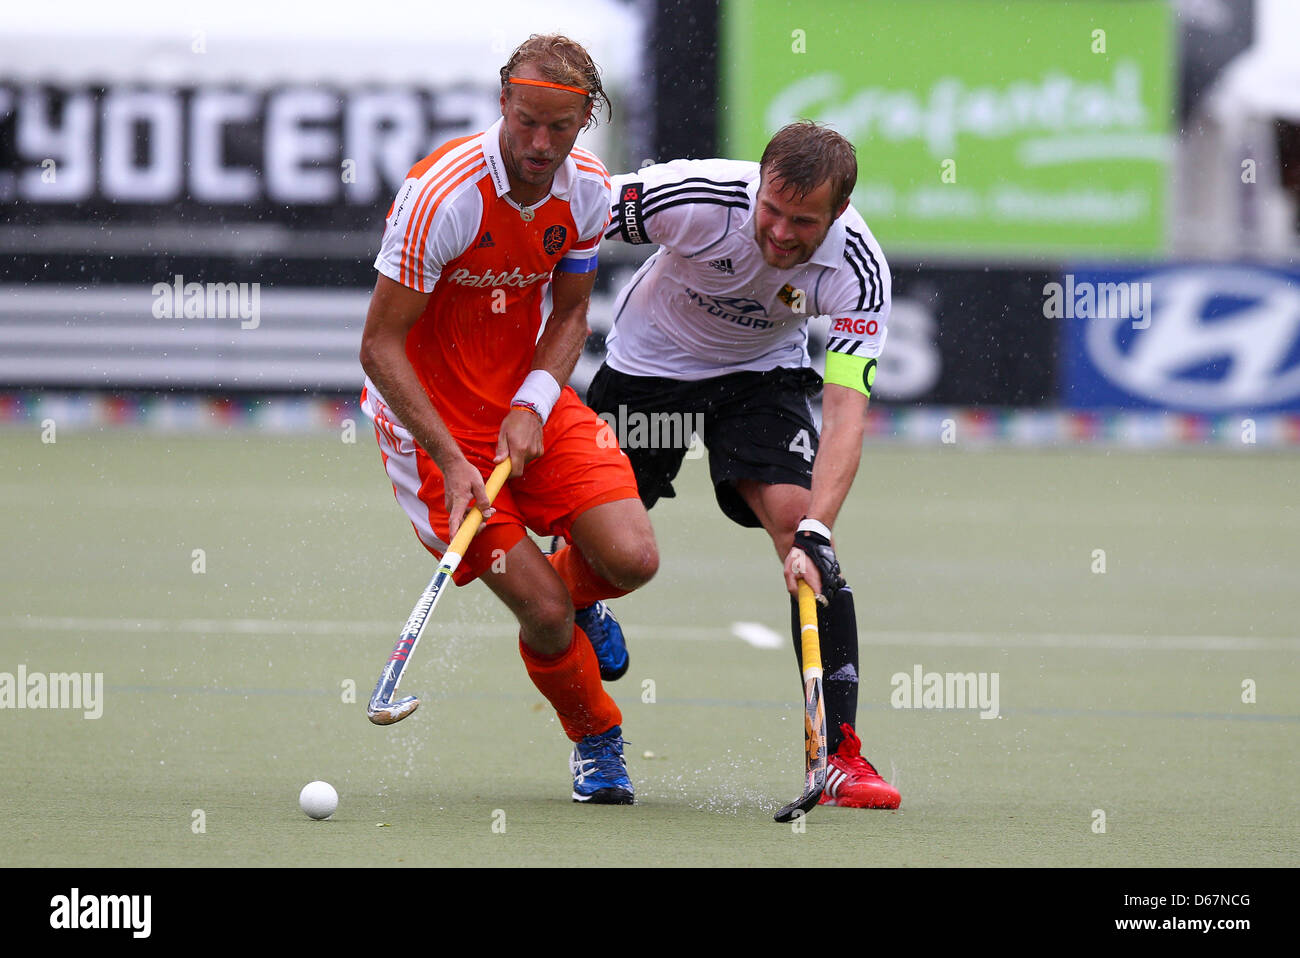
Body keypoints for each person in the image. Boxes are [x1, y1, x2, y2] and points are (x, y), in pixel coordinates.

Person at [358, 35, 658, 805]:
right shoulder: (444, 198)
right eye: (526, 121)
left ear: (585, 120)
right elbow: (379, 347)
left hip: (527, 400)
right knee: (545, 611)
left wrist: (533, 402)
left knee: (632, 558)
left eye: (560, 128)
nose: (539, 143)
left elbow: (570, 313)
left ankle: (581, 594)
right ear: (503, 103)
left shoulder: (586, 189)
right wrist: (454, 461)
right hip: (430, 430)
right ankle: (596, 738)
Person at [588, 121, 900, 809]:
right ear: (757, 187)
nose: (783, 234)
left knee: (803, 534)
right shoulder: (695, 196)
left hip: (759, 381)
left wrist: (820, 525)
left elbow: (847, 412)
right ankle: (582, 605)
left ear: (839, 213)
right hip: (646, 371)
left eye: (804, 221)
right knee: (598, 550)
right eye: (773, 210)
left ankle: (841, 753)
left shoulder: (858, 270)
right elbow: (573, 217)